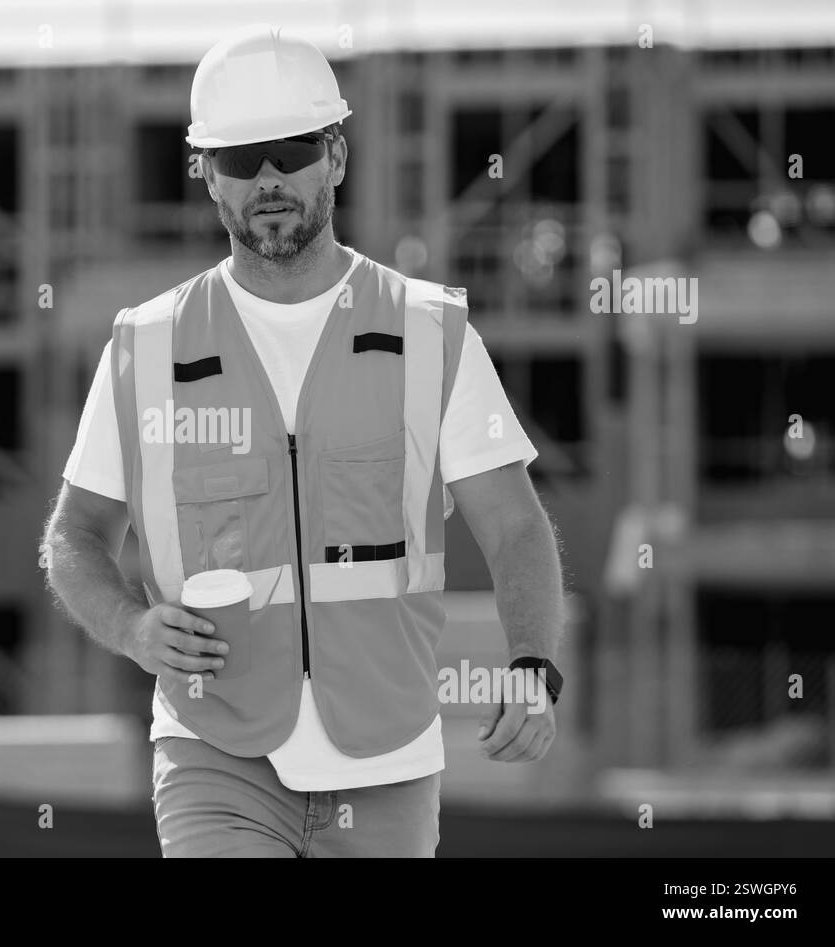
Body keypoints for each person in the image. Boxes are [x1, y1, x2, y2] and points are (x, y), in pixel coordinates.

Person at [42, 23, 566, 857]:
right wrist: (134, 631)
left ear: (338, 156)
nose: (270, 179)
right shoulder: (146, 349)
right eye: (241, 159)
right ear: (206, 176)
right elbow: (74, 538)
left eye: (292, 149)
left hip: (388, 758)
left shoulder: (431, 334)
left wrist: (533, 664)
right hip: (215, 752)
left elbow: (512, 524)